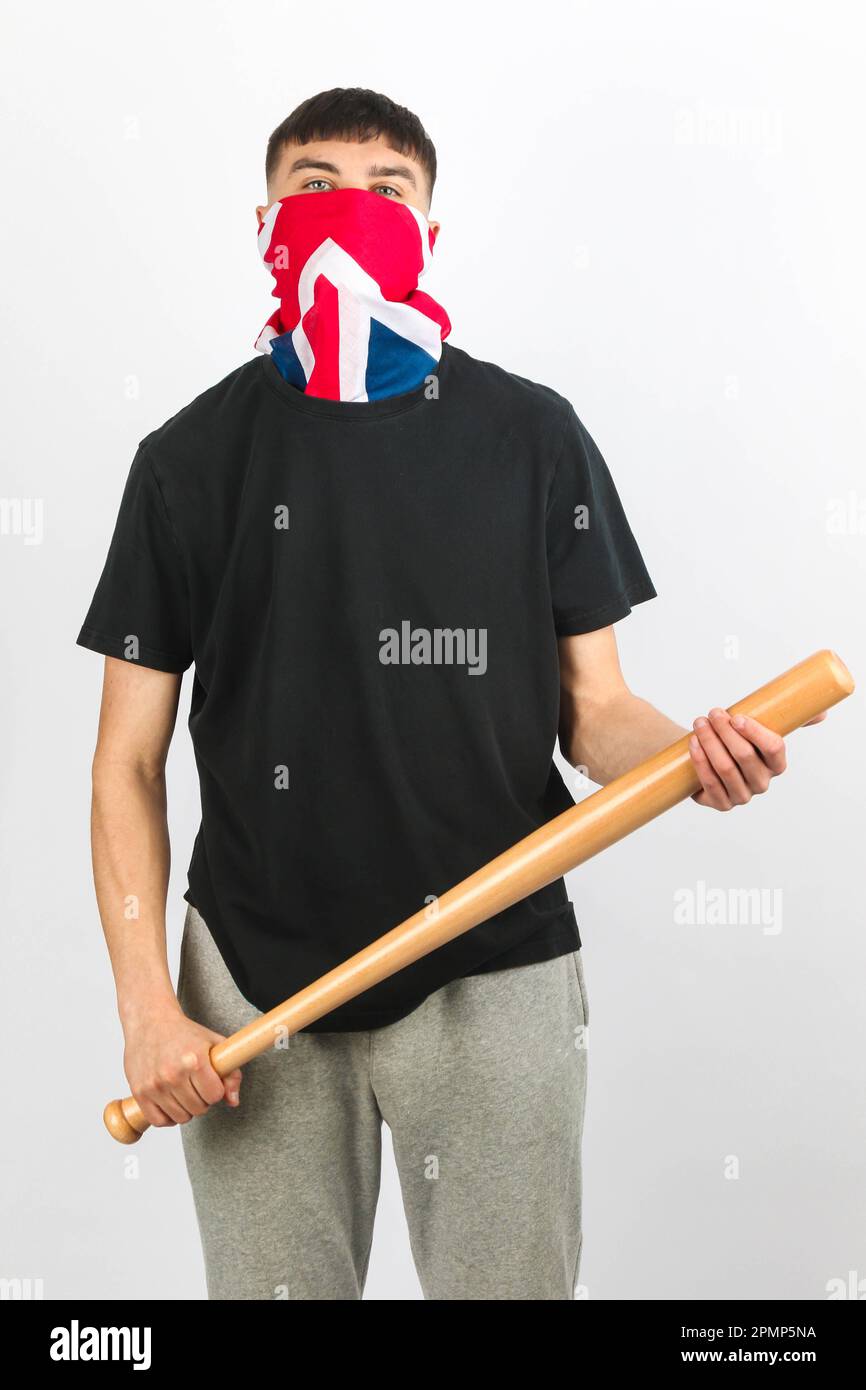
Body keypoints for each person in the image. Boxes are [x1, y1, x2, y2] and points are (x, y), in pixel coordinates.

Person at [77, 87, 823, 1301]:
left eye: (387, 191)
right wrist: (150, 1007)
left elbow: (596, 715)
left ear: (429, 228)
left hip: (495, 960)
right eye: (313, 185)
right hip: (250, 981)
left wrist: (689, 757)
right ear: (261, 219)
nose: (348, 211)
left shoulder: (531, 435)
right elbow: (124, 760)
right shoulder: (187, 460)